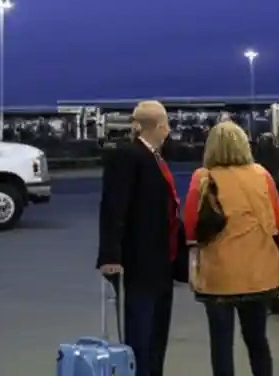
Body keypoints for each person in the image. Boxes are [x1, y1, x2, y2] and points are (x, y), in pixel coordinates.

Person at [182, 120, 279, 376]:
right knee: (257, 341)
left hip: (218, 275)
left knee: (221, 345)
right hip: (259, 273)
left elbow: (190, 227)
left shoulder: (203, 178)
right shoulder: (262, 175)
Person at [97, 100, 186, 376]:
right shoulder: (128, 156)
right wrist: (110, 255)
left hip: (162, 260)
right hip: (141, 259)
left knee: (157, 333)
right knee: (141, 334)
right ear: (159, 126)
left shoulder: (156, 158)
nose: (169, 131)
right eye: (167, 124)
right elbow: (113, 207)